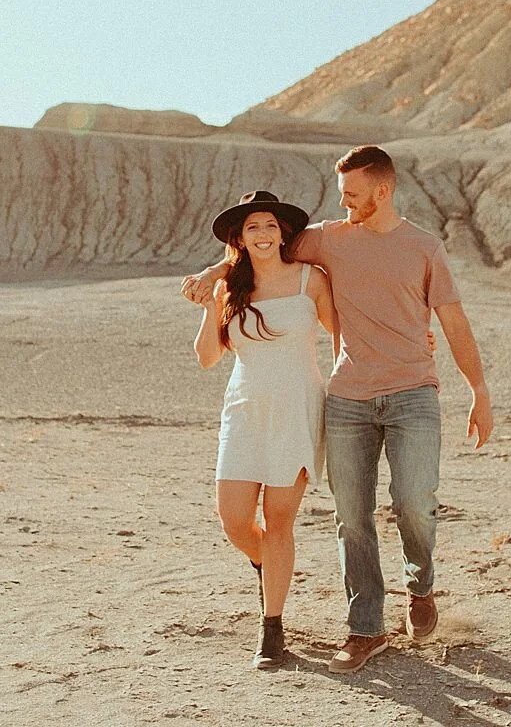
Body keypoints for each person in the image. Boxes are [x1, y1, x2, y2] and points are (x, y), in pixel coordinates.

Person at [183, 146, 493, 674]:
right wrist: (214, 273)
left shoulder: (423, 247)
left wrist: (478, 390)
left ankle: (418, 586)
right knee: (350, 517)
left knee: (414, 502)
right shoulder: (328, 238)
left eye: (352, 194)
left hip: (410, 391)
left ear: (382, 191)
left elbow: (452, 321)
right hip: (345, 398)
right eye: (341, 193)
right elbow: (258, 247)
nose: (343, 203)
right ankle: (364, 627)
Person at [193, 190, 338, 670]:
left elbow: (344, 336)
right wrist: (210, 304)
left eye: (270, 225)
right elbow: (207, 358)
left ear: (282, 233)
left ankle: (272, 629)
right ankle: (266, 565)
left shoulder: (311, 280)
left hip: (297, 410)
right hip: (244, 411)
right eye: (252, 227)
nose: (262, 234)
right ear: (239, 238)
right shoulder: (229, 289)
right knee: (234, 520)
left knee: (279, 521)